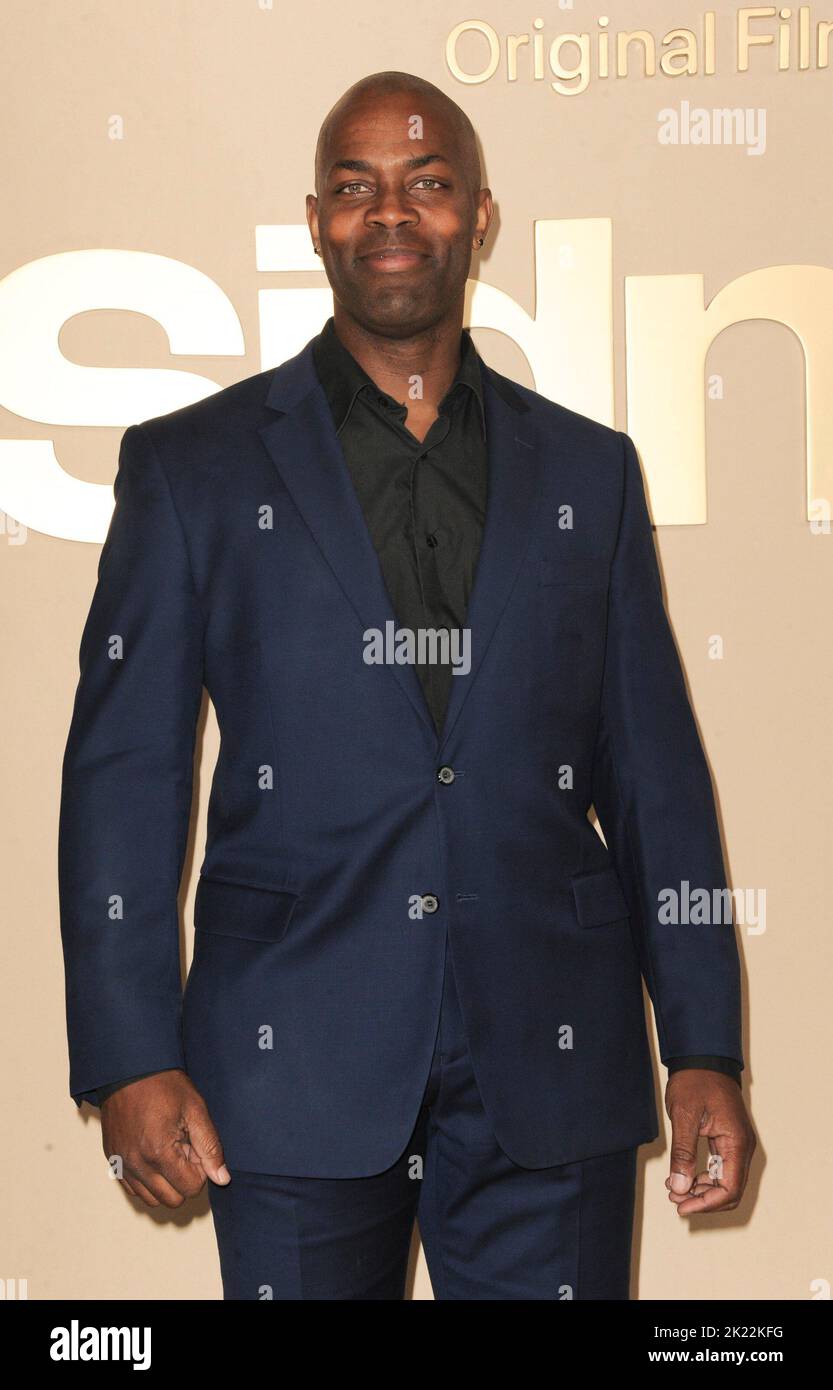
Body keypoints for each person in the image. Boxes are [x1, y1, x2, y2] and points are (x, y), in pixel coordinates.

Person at [58, 70, 756, 1300]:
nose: (390, 212)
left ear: (479, 219)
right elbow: (125, 777)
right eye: (354, 187)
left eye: (427, 184)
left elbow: (655, 777)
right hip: (286, 1070)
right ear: (315, 219)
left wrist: (702, 1044)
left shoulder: (588, 475)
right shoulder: (194, 470)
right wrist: (127, 1058)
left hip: (551, 1065)